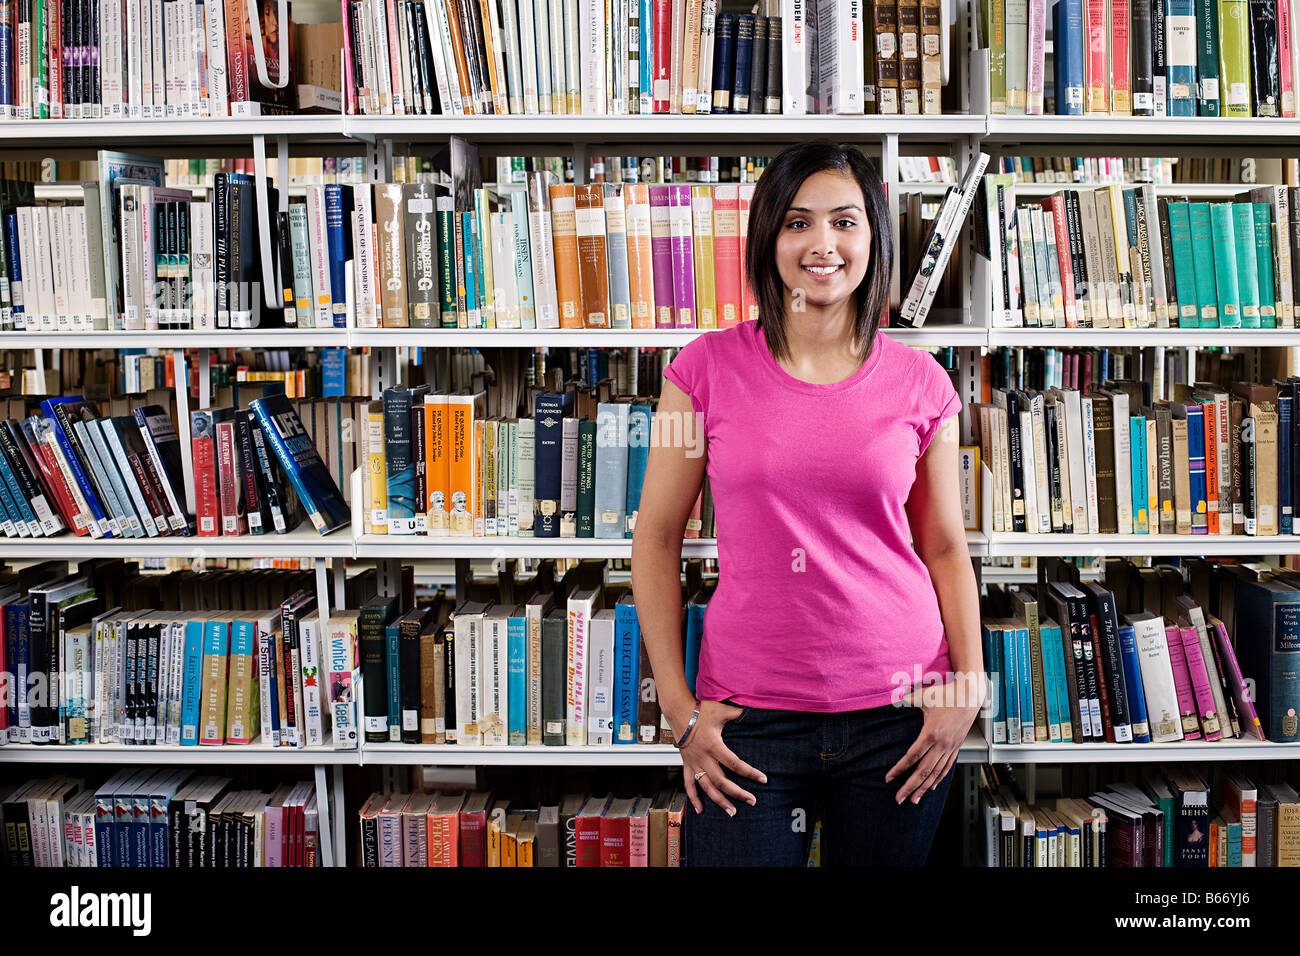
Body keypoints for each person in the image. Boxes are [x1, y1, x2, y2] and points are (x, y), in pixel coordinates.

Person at [630, 140, 985, 867]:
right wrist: (676, 708)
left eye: (845, 221)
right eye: (798, 223)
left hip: (901, 716)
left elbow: (945, 546)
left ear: (874, 238)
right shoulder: (702, 370)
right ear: (768, 237)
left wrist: (969, 687)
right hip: (747, 722)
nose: (823, 244)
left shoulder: (924, 384)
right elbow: (657, 537)